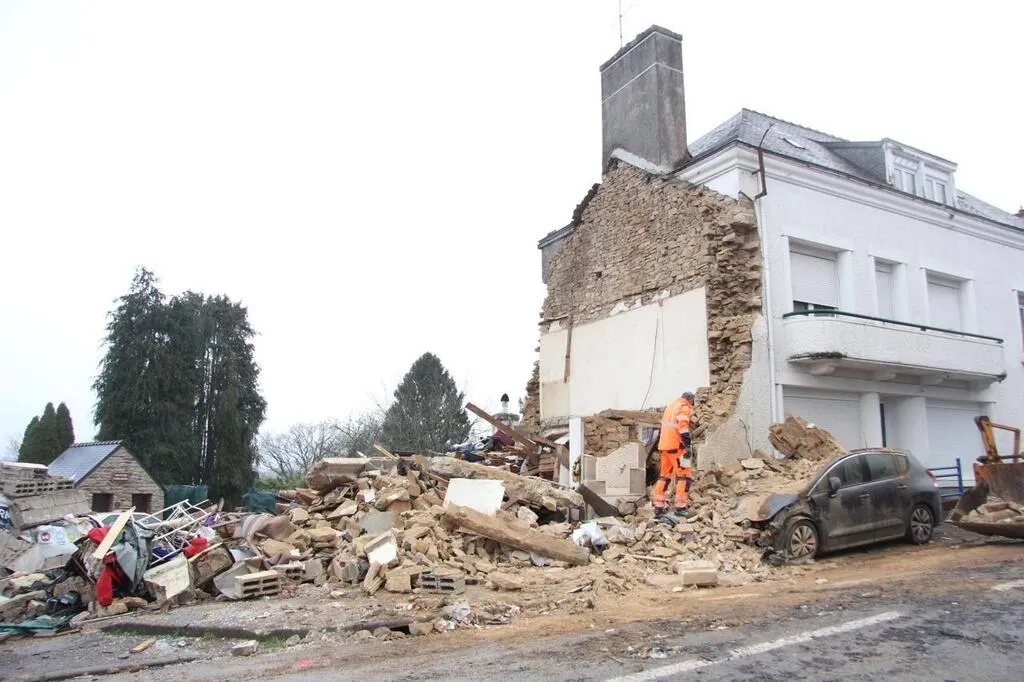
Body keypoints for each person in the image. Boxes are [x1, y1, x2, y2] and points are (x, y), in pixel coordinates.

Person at [653, 391, 695, 519]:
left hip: (664, 447)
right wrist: (687, 444)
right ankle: (680, 508)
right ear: (691, 400)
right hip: (677, 447)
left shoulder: (671, 406)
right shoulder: (684, 407)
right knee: (684, 476)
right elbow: (683, 427)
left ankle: (658, 507)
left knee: (664, 477)